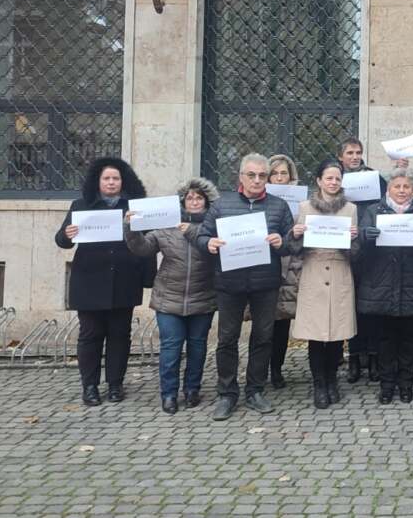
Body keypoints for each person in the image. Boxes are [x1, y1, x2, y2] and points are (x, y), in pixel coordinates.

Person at [195, 153, 294, 421]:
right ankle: (227, 393)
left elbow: (293, 243)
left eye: (262, 175)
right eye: (251, 175)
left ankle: (255, 391)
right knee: (227, 339)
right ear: (240, 176)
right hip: (229, 282)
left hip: (265, 282)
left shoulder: (279, 206)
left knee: (263, 338)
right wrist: (209, 244)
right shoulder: (222, 205)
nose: (257, 180)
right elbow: (202, 235)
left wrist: (282, 243)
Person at [55, 157, 156, 407]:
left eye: (116, 178)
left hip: (125, 279)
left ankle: (115, 384)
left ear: (124, 181)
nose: (111, 183)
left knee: (120, 334)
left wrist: (148, 278)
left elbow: (149, 244)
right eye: (106, 178)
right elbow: (62, 241)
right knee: (90, 335)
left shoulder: (134, 207)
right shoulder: (81, 205)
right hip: (89, 281)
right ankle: (89, 386)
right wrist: (67, 234)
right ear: (97, 181)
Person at [124, 177, 220, 414]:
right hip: (168, 298)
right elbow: (142, 248)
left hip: (203, 296)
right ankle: (168, 394)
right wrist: (130, 228)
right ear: (182, 202)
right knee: (171, 348)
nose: (194, 202)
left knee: (197, 347)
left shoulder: (214, 228)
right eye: (190, 198)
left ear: (207, 202)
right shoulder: (167, 226)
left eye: (199, 198)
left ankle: (192, 389)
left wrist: (196, 232)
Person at [357, 169, 413, 404]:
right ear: (389, 189)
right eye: (397, 186)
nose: (402, 191)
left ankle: (406, 382)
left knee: (407, 338)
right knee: (385, 339)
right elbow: (360, 240)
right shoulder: (374, 210)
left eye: (406, 187)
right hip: (382, 283)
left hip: (412, 284)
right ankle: (387, 384)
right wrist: (367, 235)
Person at [290, 159, 360, 409]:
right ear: (319, 181)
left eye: (337, 178)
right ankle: (319, 384)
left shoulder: (350, 209)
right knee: (316, 335)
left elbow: (357, 252)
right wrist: (296, 235)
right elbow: (294, 248)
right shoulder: (304, 207)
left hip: (340, 271)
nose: (333, 182)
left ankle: (332, 380)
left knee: (337, 334)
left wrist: (353, 239)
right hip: (314, 272)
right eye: (329, 178)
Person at [338, 137, 387, 385]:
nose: (355, 157)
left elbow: (388, 204)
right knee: (352, 307)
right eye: (350, 153)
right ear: (341, 157)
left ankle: (375, 358)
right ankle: (355, 359)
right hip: (346, 252)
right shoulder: (335, 179)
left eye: (358, 152)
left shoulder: (374, 177)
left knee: (373, 306)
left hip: (373, 251)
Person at [267, 154, 304, 390]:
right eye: (275, 174)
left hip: (290, 266)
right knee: (263, 324)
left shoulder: (301, 202)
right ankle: (259, 368)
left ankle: (276, 369)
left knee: (281, 324)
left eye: (284, 173)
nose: (279, 178)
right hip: (265, 265)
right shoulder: (260, 200)